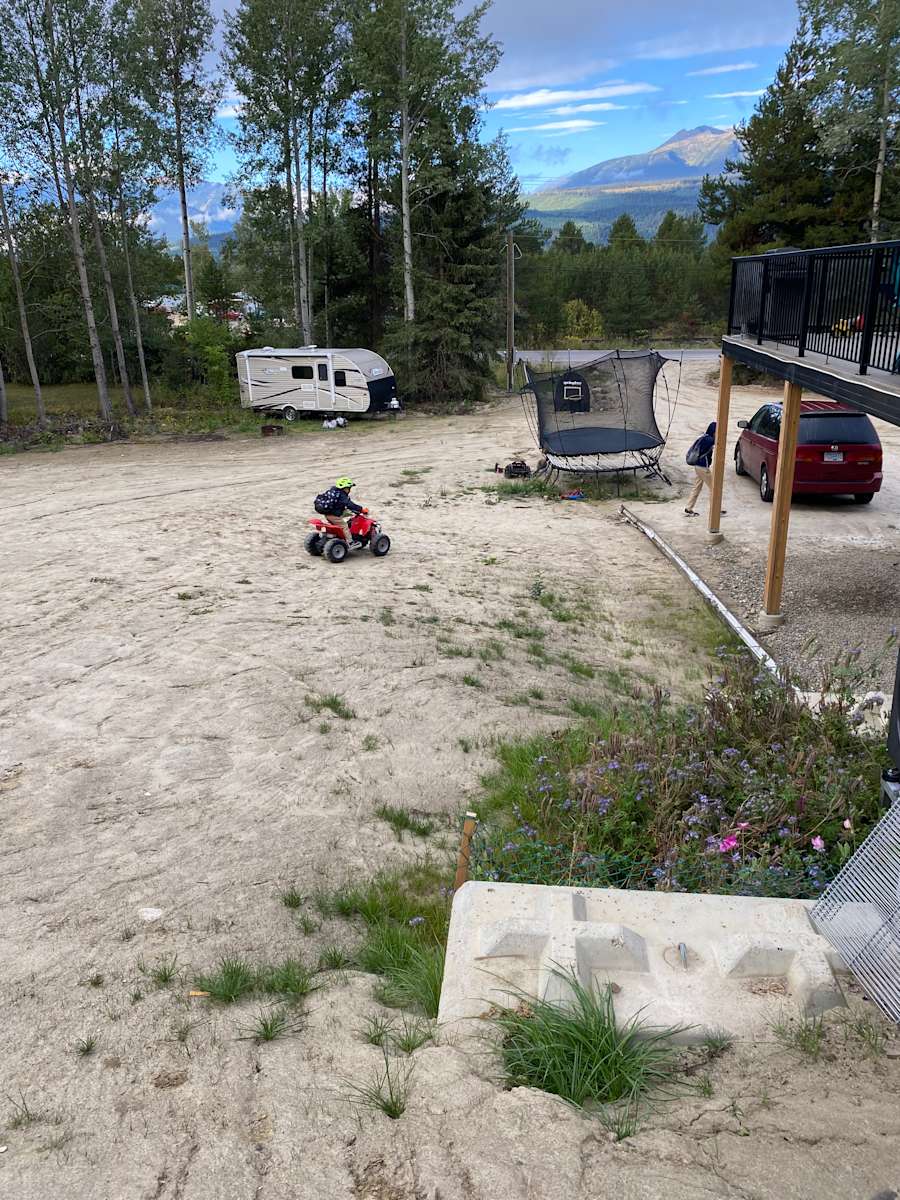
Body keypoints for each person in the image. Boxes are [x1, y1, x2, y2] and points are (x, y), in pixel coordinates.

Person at [684, 422, 726, 517]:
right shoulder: (709, 440)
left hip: (698, 466)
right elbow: (718, 442)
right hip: (703, 468)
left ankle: (688, 508)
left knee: (697, 487)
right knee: (714, 488)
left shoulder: (703, 437)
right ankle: (716, 510)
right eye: (717, 431)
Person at [314, 476, 364, 544]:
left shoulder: (334, 491)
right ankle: (350, 542)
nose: (349, 490)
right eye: (349, 488)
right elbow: (350, 504)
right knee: (344, 526)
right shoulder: (341, 495)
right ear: (345, 488)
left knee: (349, 513)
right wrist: (361, 509)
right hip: (333, 515)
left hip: (328, 512)